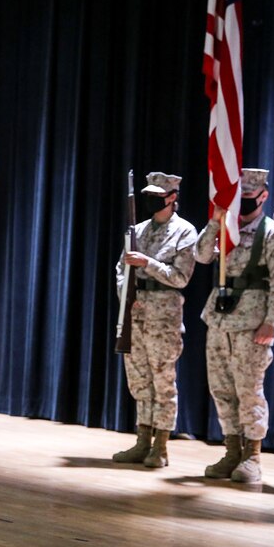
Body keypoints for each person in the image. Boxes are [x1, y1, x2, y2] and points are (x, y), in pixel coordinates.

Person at [195, 168, 274, 484]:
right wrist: (216, 220)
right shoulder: (226, 229)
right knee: (221, 389)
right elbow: (200, 255)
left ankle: (252, 456)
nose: (244, 205)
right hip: (219, 318)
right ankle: (232, 450)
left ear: (264, 196)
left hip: (252, 323)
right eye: (240, 199)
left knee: (249, 390)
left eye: (249, 198)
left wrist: (271, 321)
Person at [113, 172, 197, 468]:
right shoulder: (139, 229)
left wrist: (148, 263)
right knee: (139, 380)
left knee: (163, 380)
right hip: (135, 312)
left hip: (164, 315)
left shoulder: (185, 232)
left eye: (157, 196)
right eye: (147, 195)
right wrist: (126, 292)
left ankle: (160, 446)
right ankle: (142, 440)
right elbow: (120, 269)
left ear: (172, 197)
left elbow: (181, 276)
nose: (151, 201)